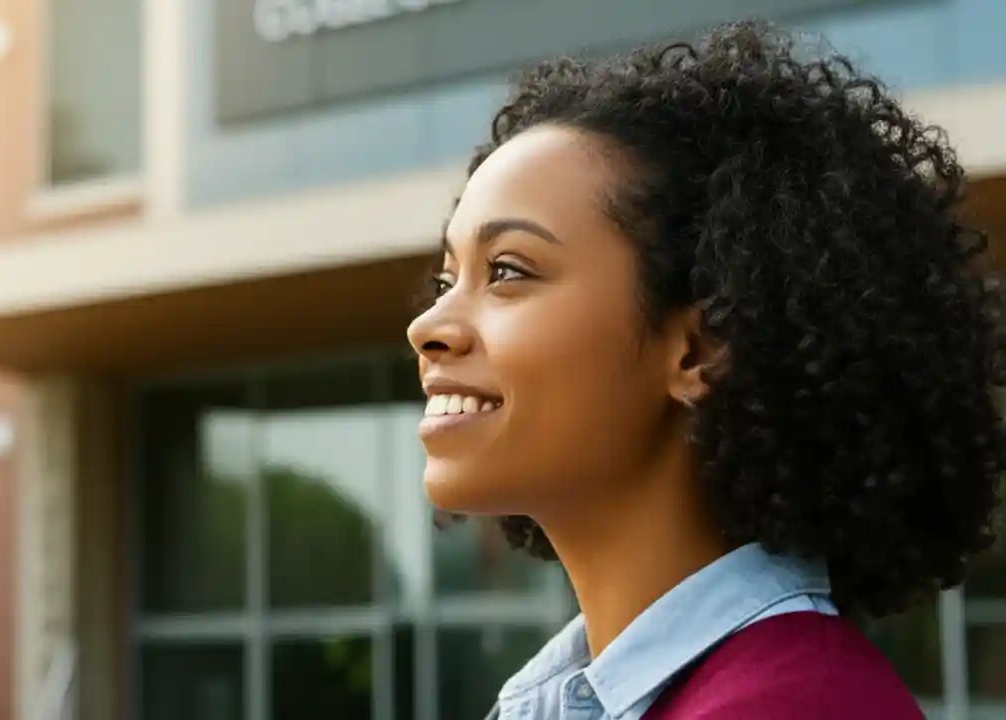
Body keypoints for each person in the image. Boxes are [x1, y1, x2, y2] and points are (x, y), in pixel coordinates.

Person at [406, 20, 1005, 720]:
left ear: (696, 349)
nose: (429, 328)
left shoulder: (796, 707)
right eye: (450, 278)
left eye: (507, 270)